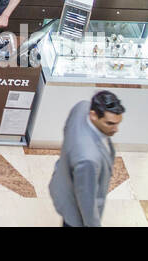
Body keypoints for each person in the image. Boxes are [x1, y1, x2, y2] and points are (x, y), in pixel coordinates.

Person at [50, 91, 124, 227]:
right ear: (93, 115)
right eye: (110, 123)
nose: (116, 129)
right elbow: (86, 201)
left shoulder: (82, 107)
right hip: (75, 210)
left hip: (63, 182)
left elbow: (67, 130)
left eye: (118, 123)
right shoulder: (88, 159)